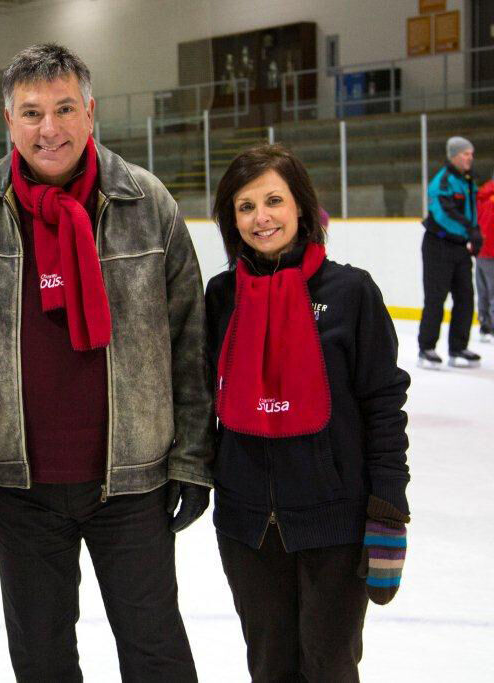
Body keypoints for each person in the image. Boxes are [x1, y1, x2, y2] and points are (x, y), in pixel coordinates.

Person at [0, 44, 213, 681]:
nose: (48, 128)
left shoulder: (149, 203)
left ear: (90, 112)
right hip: (18, 485)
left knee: (156, 650)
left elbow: (190, 340)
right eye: (31, 113)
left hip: (132, 479)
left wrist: (192, 458)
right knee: (42, 657)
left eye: (63, 109)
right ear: (9, 121)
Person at [205, 144, 411, 682]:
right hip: (247, 524)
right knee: (269, 667)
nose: (261, 217)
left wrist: (388, 507)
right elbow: (203, 397)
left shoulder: (351, 292)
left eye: (274, 200)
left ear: (301, 206)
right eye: (245, 206)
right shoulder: (222, 295)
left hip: (334, 520)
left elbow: (383, 403)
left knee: (329, 668)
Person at [418, 136, 483, 368]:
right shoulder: (442, 182)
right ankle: (426, 348)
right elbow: (444, 213)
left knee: (465, 297)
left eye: (471, 154)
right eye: (466, 154)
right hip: (438, 245)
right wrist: (470, 229)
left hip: (459, 247)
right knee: (436, 298)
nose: (470, 158)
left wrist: (474, 234)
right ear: (454, 155)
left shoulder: (467, 181)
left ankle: (458, 347)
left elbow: (473, 210)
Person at [475, 172, 494, 343]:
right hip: (491, 249)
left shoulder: (482, 193)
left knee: (484, 290)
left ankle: (485, 324)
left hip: (481, 249)